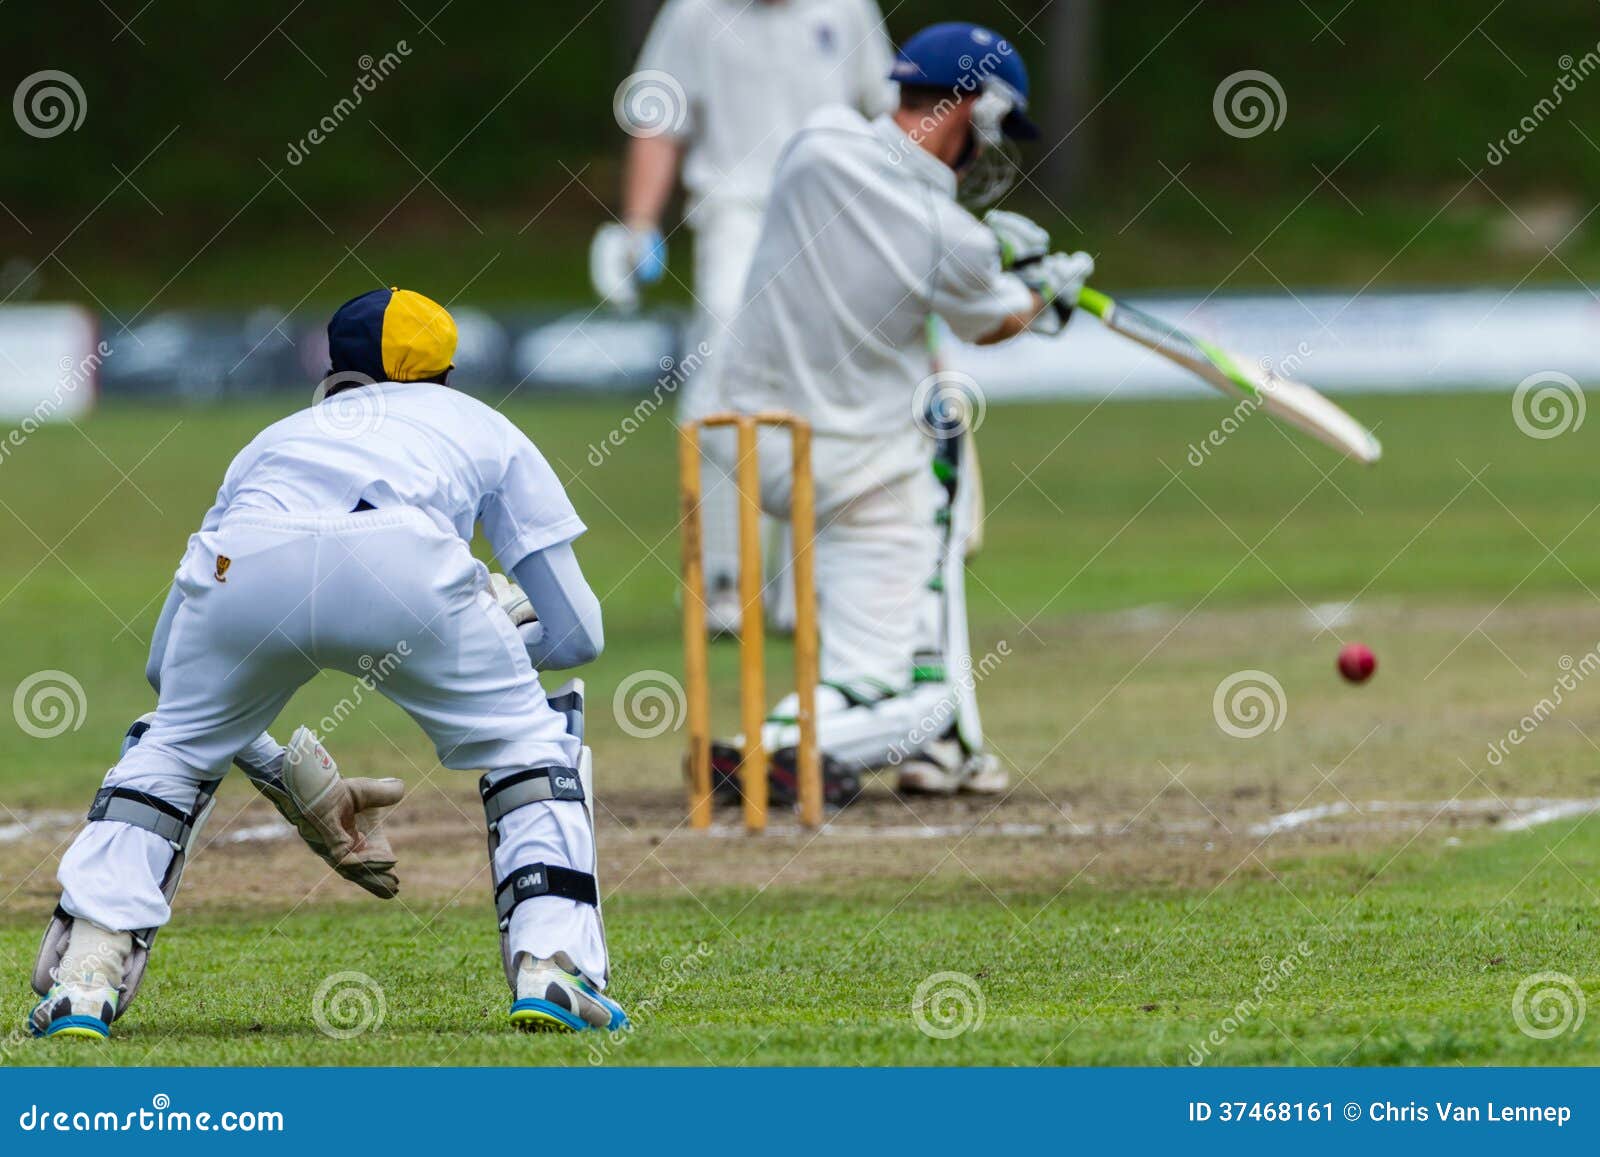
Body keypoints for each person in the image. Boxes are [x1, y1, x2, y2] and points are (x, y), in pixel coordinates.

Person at [29, 288, 626, 1039]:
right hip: (408, 560)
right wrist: (507, 644)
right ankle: (555, 965)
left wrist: (280, 771)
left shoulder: (278, 437)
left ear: (335, 371)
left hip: (249, 556)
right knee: (532, 742)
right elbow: (578, 636)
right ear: (447, 370)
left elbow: (166, 673)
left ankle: (86, 978)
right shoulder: (483, 425)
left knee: (171, 745)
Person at [711, 22, 1094, 798]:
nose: (987, 153)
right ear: (974, 111)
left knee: (879, 646)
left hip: (750, 442)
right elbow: (991, 321)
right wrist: (1045, 290)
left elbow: (893, 223)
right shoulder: (952, 237)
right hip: (865, 466)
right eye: (990, 130)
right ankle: (797, 742)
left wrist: (1001, 269)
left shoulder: (816, 145)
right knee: (905, 685)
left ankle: (919, 741)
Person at [593, 0, 896, 632]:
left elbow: (888, 112)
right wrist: (640, 223)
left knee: (823, 389)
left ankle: (804, 589)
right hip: (736, 215)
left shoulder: (846, 9)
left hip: (832, 215)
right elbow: (659, 119)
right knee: (723, 381)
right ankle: (724, 580)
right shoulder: (694, 13)